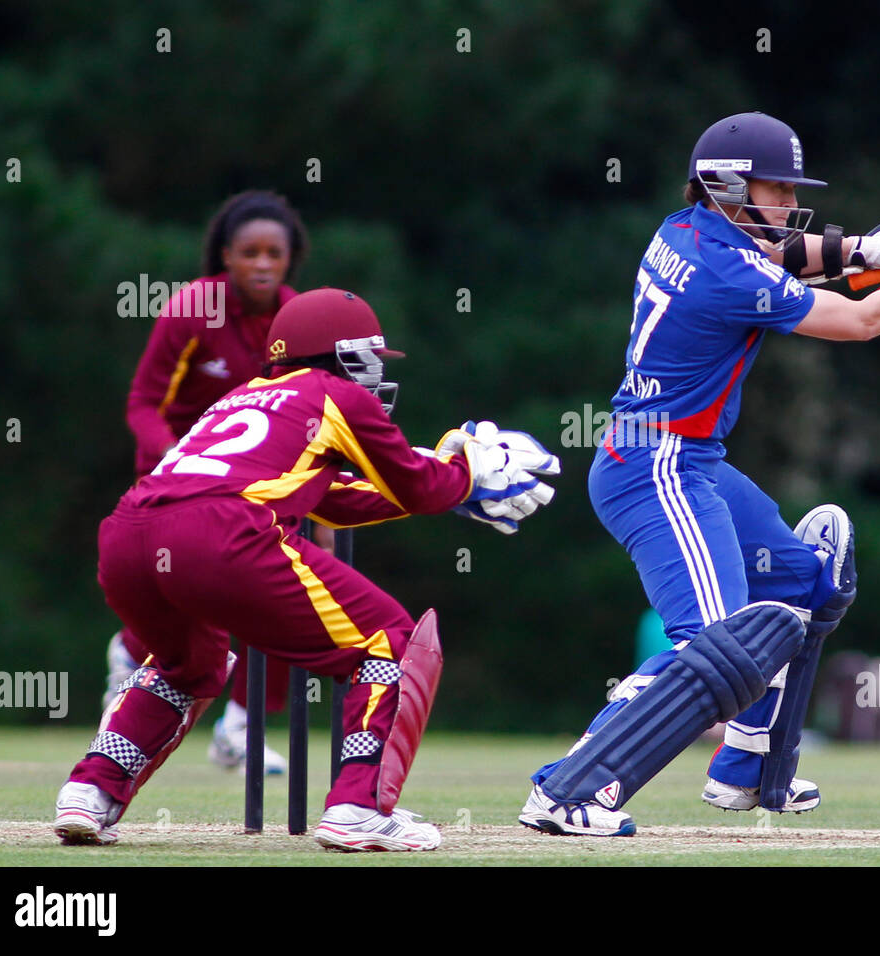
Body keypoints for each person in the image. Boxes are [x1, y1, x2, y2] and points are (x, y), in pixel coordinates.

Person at [518, 111, 880, 836]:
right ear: (729, 187)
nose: (787, 204)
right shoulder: (724, 269)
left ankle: (745, 768)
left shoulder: (687, 232)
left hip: (688, 458)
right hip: (657, 465)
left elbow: (787, 255)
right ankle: (570, 788)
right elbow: (858, 321)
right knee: (714, 646)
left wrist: (876, 249)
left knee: (805, 581)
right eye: (776, 190)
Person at [55, 288, 559, 851]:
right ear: (340, 354)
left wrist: (454, 489)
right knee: (390, 640)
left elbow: (329, 497)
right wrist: (465, 473)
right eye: (369, 356)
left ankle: (91, 791)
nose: (374, 373)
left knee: (188, 665)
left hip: (128, 535)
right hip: (222, 533)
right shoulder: (337, 395)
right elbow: (415, 483)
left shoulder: (240, 397)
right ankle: (358, 808)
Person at [110, 190, 313, 774]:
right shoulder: (195, 307)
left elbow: (306, 409)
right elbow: (145, 402)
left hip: (258, 482)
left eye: (274, 253)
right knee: (183, 602)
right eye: (249, 252)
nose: (262, 264)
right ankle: (128, 654)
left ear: (289, 258)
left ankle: (240, 728)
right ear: (226, 255)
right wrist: (172, 458)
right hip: (176, 475)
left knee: (284, 588)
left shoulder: (295, 315)